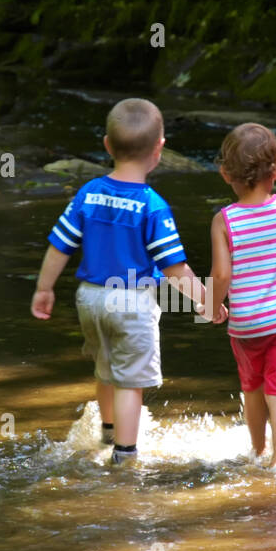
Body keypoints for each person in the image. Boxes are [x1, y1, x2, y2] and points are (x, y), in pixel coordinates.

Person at [30, 98, 221, 464]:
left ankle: (105, 431)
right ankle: (125, 454)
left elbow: (59, 246)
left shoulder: (88, 193)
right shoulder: (152, 206)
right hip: (131, 302)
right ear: (160, 150)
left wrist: (44, 288)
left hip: (90, 299)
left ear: (106, 145)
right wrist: (206, 300)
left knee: (106, 366)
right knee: (130, 380)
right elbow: (174, 269)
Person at [206, 123, 276, 468]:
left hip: (248, 325)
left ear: (226, 174)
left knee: (253, 390)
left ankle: (257, 454)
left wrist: (212, 307)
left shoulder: (224, 221)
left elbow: (222, 275)